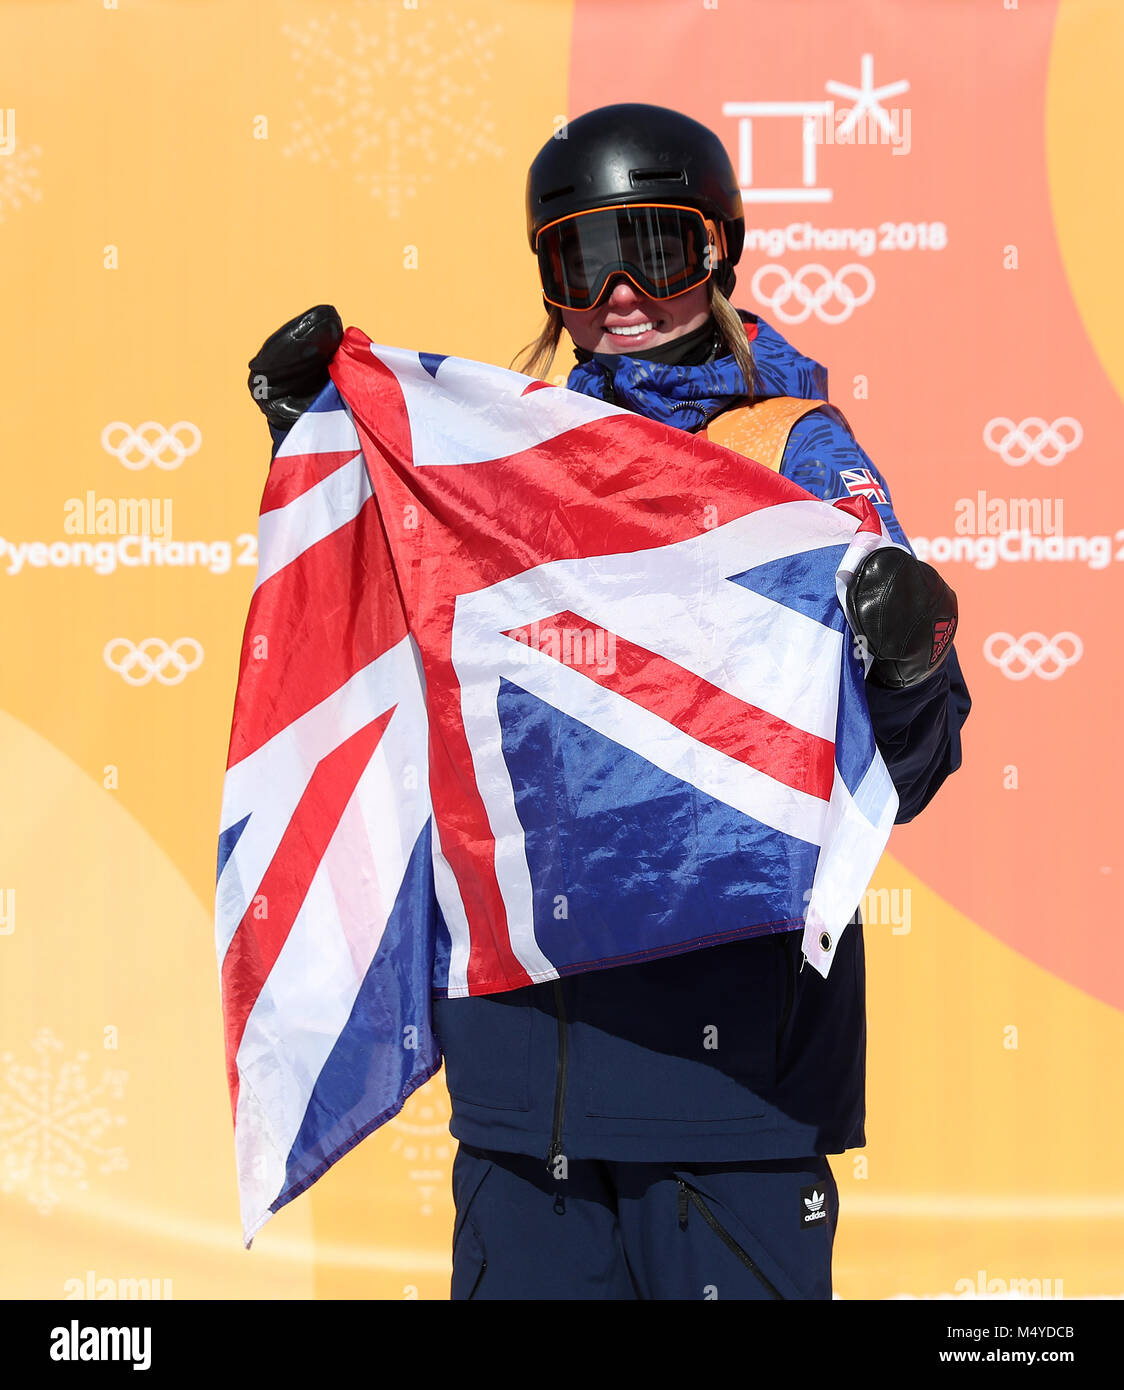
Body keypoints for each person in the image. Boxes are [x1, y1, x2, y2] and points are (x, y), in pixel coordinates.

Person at [246, 103, 970, 1301]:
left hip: (727, 1103)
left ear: (720, 251)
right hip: (525, 1109)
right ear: (551, 281)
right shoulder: (494, 467)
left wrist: (903, 666)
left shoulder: (786, 449)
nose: (623, 292)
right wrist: (324, 461)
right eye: (585, 258)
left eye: (658, 247)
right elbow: (385, 658)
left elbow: (913, 757)